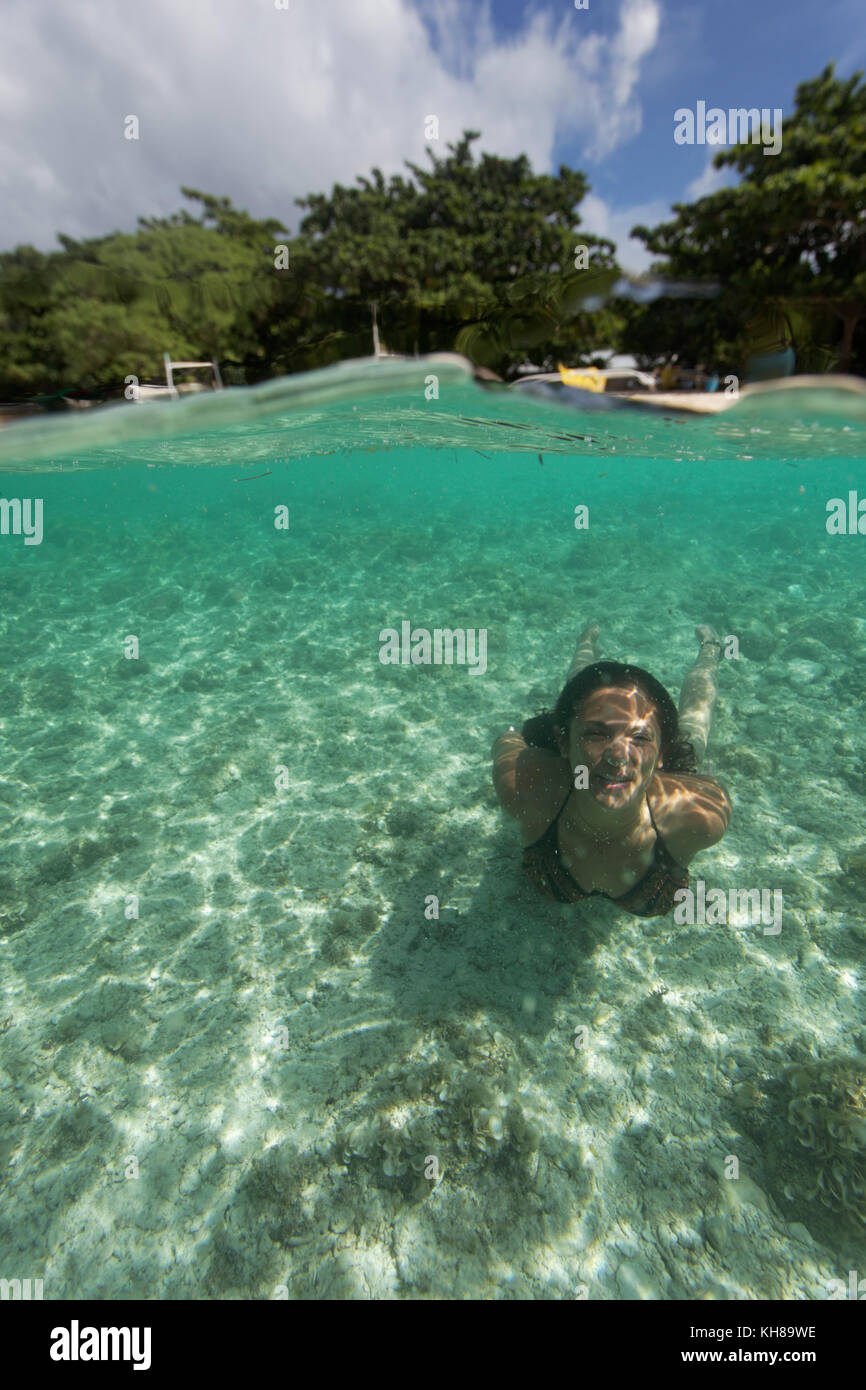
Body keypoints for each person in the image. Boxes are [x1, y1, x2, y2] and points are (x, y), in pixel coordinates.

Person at [492, 623, 731, 917]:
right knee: (581, 692)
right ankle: (585, 644)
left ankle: (710, 650)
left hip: (659, 771)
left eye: (640, 737)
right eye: (596, 734)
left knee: (695, 726)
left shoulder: (697, 817)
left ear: (660, 754)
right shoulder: (523, 788)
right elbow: (507, 740)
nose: (618, 757)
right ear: (563, 744)